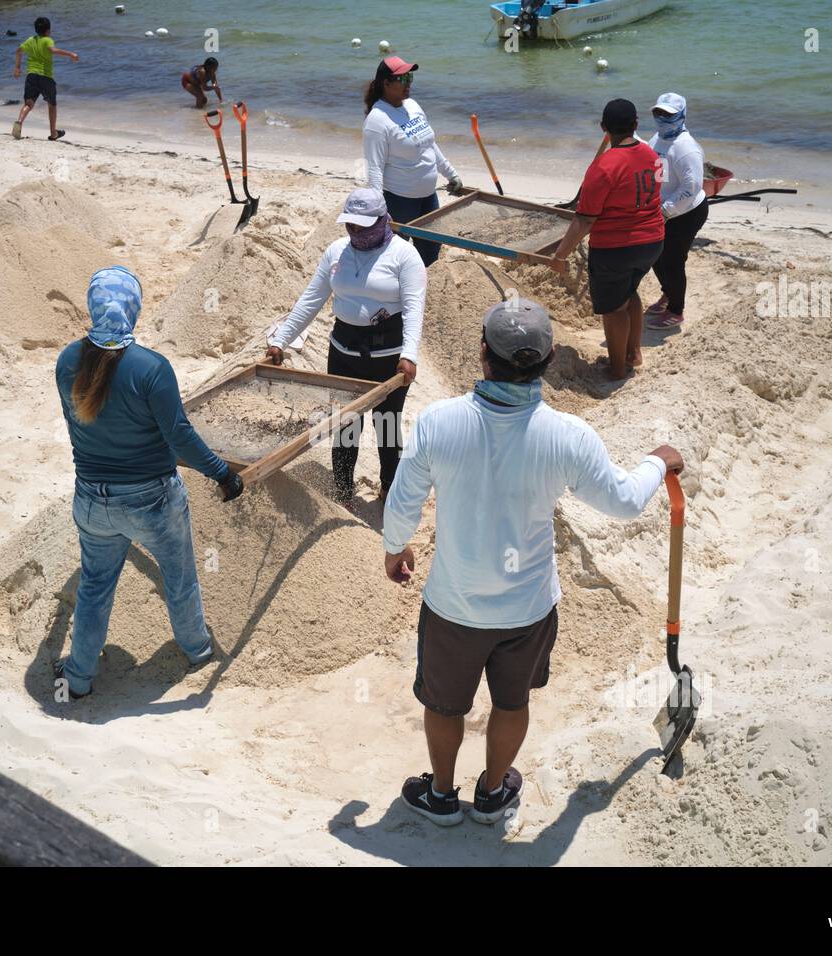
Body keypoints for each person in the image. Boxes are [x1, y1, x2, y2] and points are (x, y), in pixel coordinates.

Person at [382, 297, 683, 826]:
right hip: (527, 610)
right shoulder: (568, 437)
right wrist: (657, 462)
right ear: (545, 363)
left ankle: (442, 797)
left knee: (443, 704)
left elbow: (404, 499)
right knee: (512, 702)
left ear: (483, 353)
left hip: (454, 604)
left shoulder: (438, 421)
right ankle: (494, 792)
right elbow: (624, 501)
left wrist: (396, 546)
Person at [54, 267, 244, 699]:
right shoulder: (151, 368)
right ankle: (197, 651)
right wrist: (222, 473)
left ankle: (79, 677)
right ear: (134, 311)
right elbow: (178, 435)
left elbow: (79, 425)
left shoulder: (67, 361)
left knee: (95, 586)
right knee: (178, 577)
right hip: (151, 501)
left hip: (90, 500)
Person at [265, 187, 426, 505]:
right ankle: (342, 492)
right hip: (342, 353)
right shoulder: (336, 251)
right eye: (350, 225)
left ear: (383, 220)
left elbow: (414, 308)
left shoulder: (405, 256)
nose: (355, 231)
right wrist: (280, 341)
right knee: (345, 426)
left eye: (363, 225)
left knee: (387, 424)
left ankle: (388, 488)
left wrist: (408, 355)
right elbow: (311, 300)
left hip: (386, 358)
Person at [553, 98, 665, 381]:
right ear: (636, 125)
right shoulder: (654, 156)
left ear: (604, 129)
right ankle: (633, 353)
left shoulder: (603, 167)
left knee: (614, 309)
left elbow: (585, 219)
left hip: (617, 248)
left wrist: (560, 255)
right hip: (653, 241)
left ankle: (617, 369)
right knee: (630, 293)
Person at [362, 56, 462, 267]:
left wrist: (451, 174)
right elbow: (374, 168)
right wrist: (379, 209)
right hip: (399, 202)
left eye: (410, 76)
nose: (408, 82)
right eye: (402, 78)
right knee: (393, 261)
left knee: (431, 259)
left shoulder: (413, 106)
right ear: (386, 83)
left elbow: (429, 145)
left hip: (429, 198)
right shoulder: (377, 120)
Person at [645, 92, 707, 330]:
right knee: (654, 257)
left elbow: (691, 188)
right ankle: (668, 293)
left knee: (672, 261)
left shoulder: (686, 148)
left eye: (668, 114)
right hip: (661, 211)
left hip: (686, 214)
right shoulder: (657, 138)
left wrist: (666, 211)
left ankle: (676, 311)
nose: (662, 118)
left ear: (681, 116)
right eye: (658, 112)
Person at [12, 16, 78, 142]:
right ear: (48, 30)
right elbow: (53, 50)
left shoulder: (30, 40)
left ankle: (19, 122)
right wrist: (71, 54)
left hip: (31, 76)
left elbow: (18, 51)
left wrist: (17, 67)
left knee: (28, 104)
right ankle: (53, 133)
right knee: (52, 104)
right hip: (45, 77)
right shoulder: (47, 40)